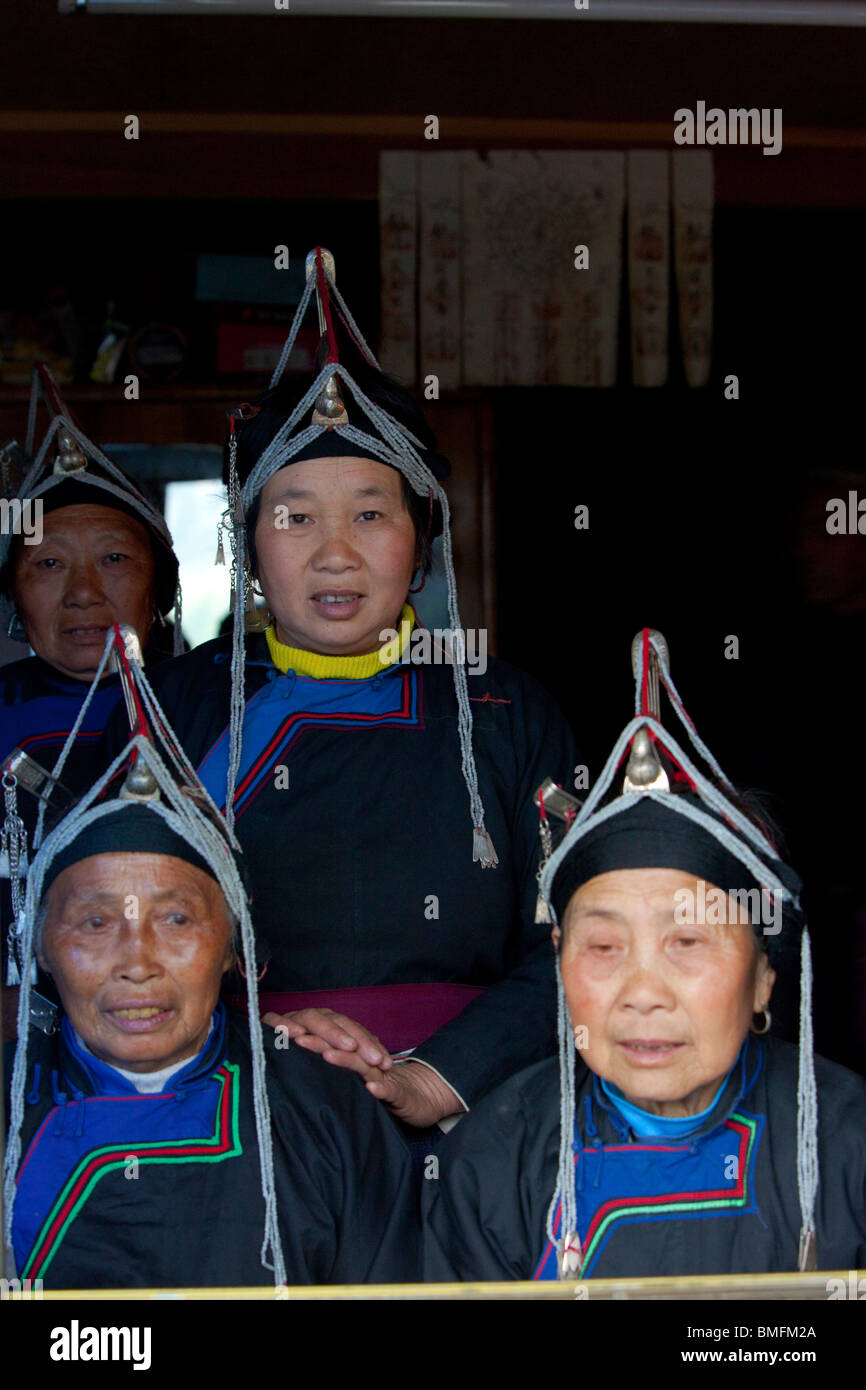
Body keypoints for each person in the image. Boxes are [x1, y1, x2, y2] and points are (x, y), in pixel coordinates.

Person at [102, 248, 578, 1131]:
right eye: (293, 517)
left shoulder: (507, 712)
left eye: (369, 512)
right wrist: (253, 1044)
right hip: (228, 1110)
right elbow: (91, 937)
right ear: (247, 547)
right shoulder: (164, 713)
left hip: (482, 1120)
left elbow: (587, 936)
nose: (334, 552)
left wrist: (436, 1077)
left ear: (421, 537)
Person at [423, 630, 866, 1281]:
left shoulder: (848, 1142)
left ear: (765, 975)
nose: (643, 991)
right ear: (559, 958)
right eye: (603, 947)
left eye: (686, 942)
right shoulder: (492, 1162)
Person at [3, 634, 418, 1289]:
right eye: (94, 920)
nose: (136, 962)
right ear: (41, 949)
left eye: (175, 919)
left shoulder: (322, 1109)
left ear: (234, 945)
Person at [0, 389, 181, 1018]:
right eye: (48, 563)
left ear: (158, 588)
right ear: (13, 600)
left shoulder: (212, 708)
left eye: (113, 558)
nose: (83, 592)